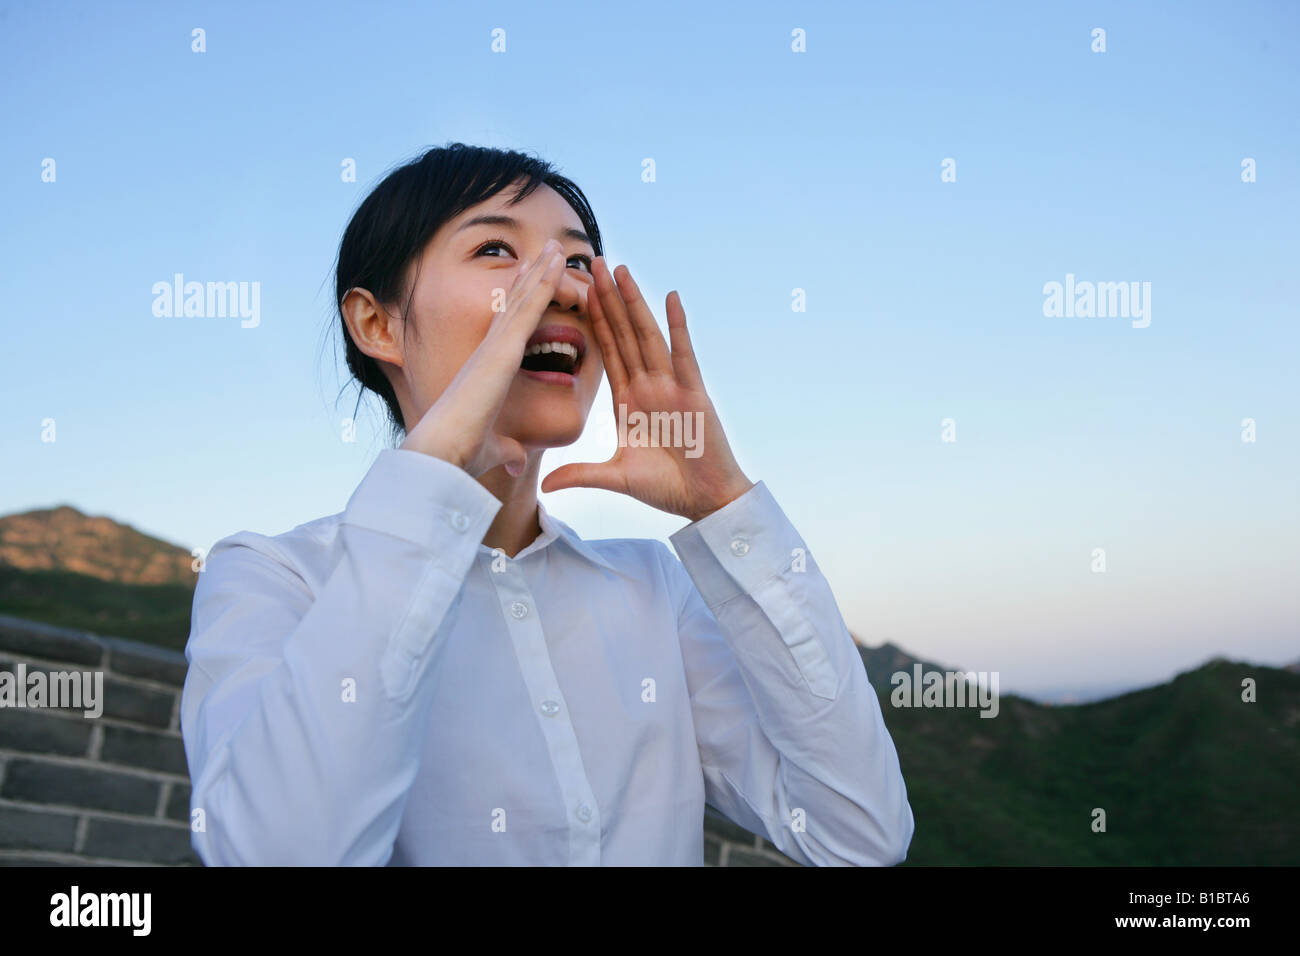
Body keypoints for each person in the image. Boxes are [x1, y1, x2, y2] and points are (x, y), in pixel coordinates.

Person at [180, 142, 914, 866]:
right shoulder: (277, 579)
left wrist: (724, 505)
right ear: (377, 324)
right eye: (496, 249)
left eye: (579, 261)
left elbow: (857, 834)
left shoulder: (654, 591)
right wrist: (431, 477)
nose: (562, 287)